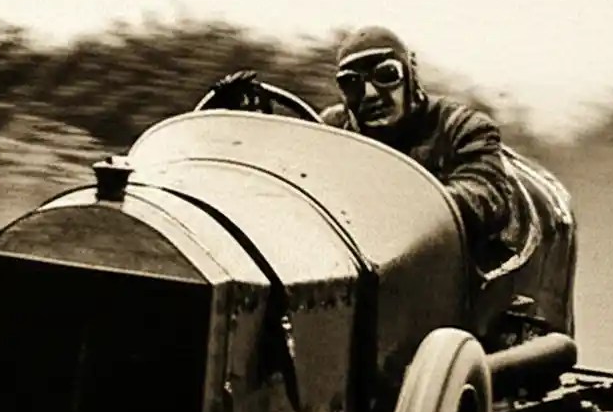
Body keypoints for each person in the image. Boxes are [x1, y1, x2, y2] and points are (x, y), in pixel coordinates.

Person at [211, 26, 574, 279]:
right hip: (356, 267)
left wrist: (404, 207)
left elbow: (485, 198)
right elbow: (295, 183)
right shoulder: (334, 129)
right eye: (351, 83)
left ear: (410, 77)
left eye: (385, 74)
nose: (369, 94)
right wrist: (244, 129)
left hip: (448, 279)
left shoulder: (465, 128)